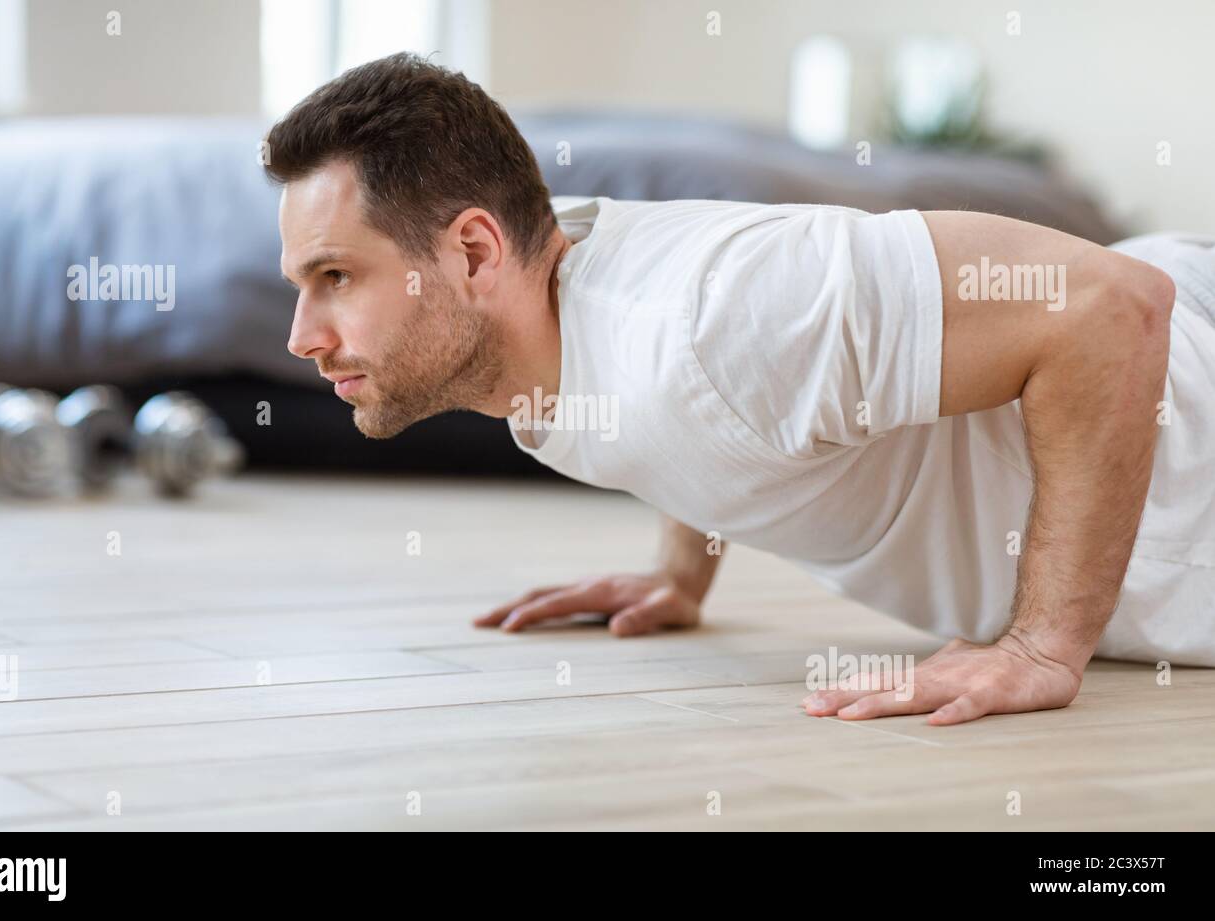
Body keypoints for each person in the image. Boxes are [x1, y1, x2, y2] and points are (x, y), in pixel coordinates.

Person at [266, 53, 1214, 726]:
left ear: (474, 250)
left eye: (337, 277)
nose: (303, 337)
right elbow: (697, 409)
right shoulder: (561, 328)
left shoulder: (722, 313)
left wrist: (1043, 646)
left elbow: (1110, 307)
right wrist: (682, 571)